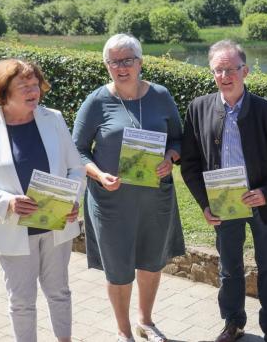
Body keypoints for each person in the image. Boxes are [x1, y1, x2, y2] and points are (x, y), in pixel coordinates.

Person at [72, 34, 185, 342]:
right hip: (111, 200)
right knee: (118, 268)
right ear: (107, 65)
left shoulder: (161, 95)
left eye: (127, 61)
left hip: (154, 197)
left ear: (140, 62)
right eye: (114, 62)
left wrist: (169, 158)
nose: (121, 68)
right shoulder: (97, 100)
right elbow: (77, 150)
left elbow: (178, 139)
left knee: (151, 261)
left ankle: (145, 321)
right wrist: (97, 174)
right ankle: (124, 331)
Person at [0, 59, 84, 342]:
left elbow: (75, 168)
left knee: (59, 293)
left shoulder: (52, 118)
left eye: (35, 85)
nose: (33, 92)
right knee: (21, 301)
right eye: (24, 86)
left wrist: (72, 199)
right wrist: (6, 202)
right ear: (3, 91)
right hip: (13, 230)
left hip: (57, 227)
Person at [180, 40, 267, 342]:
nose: (225, 75)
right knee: (229, 267)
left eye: (232, 69)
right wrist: (204, 203)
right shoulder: (198, 109)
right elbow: (189, 164)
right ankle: (233, 323)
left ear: (246, 71)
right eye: (219, 70)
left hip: (262, 204)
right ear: (212, 73)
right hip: (221, 206)